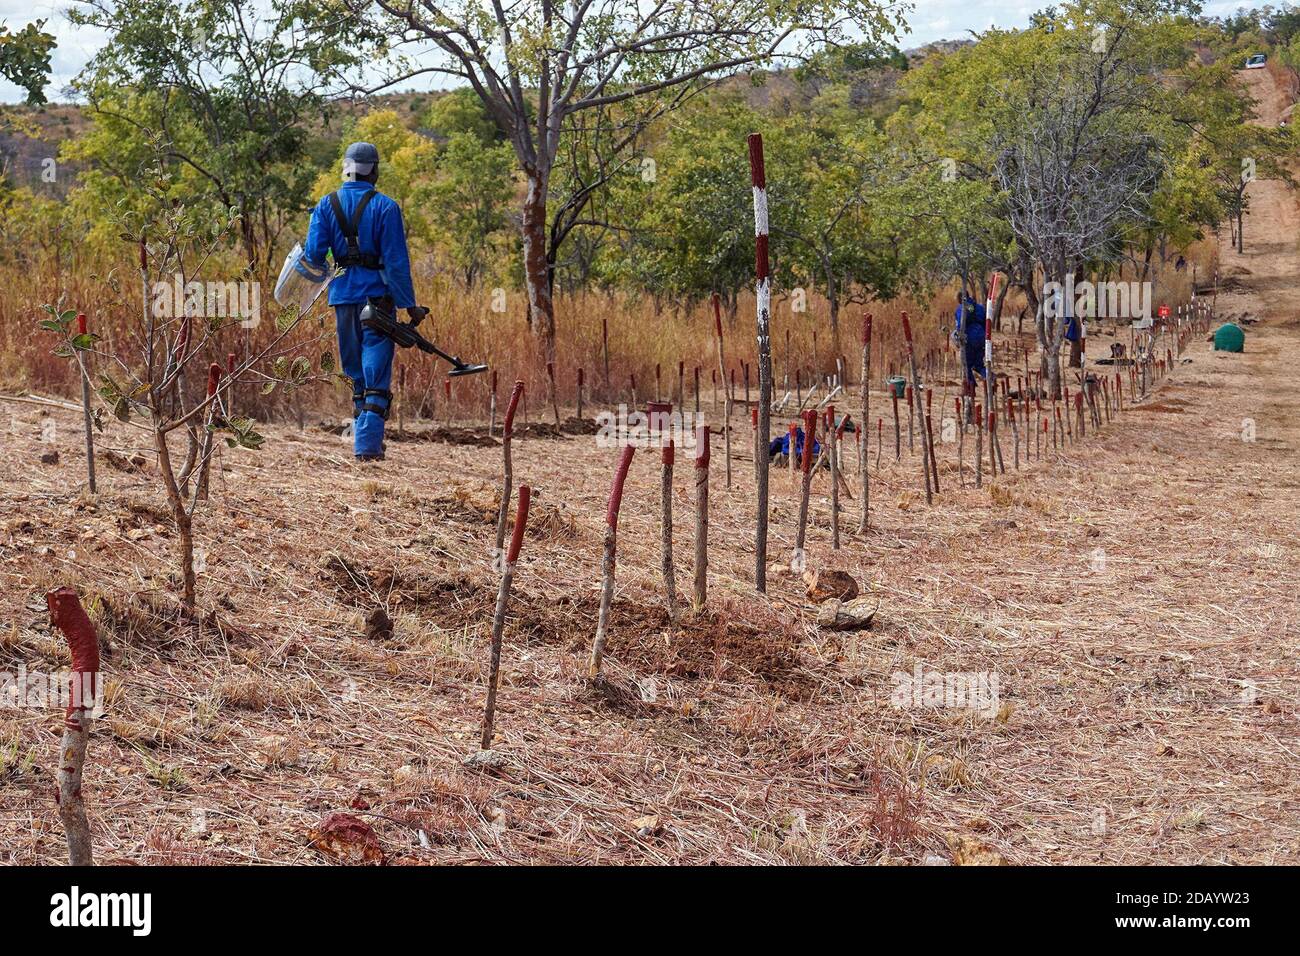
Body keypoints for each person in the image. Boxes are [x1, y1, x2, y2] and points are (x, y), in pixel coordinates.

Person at [304, 142, 419, 461]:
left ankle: (367, 438)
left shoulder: (325, 205)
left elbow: (313, 255)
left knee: (356, 371)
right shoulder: (386, 207)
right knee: (375, 373)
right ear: (374, 170)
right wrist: (409, 304)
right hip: (378, 302)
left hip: (341, 298)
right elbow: (396, 262)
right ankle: (367, 446)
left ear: (347, 168)